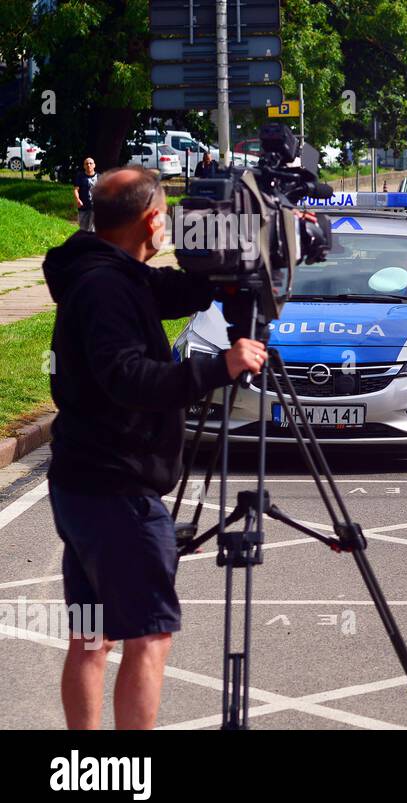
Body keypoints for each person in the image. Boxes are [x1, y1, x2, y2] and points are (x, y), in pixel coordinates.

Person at [42, 165, 267, 729]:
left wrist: (250, 252)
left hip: (84, 484)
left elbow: (176, 290)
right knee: (149, 634)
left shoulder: (106, 270)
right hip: (115, 489)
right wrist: (220, 366)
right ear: (151, 220)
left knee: (92, 637)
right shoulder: (106, 288)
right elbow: (129, 379)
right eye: (166, 215)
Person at [73, 157, 98, 232]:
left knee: (93, 230)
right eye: (86, 164)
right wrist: (77, 200)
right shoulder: (80, 176)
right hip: (83, 207)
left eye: (91, 163)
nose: (89, 165)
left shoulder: (100, 177)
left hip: (95, 208)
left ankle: (91, 243)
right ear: (84, 166)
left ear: (94, 165)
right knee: (83, 229)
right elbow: (76, 190)